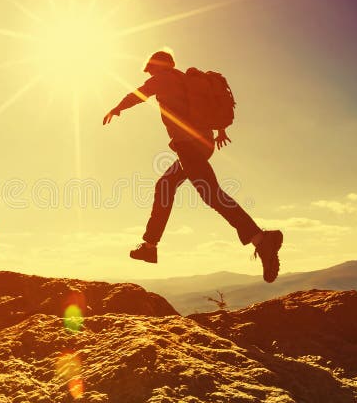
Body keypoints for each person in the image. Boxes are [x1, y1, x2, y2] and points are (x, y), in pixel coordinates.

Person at [103, 50, 283, 283]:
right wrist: (220, 131)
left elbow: (139, 94)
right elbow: (210, 108)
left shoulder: (164, 78)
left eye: (151, 69)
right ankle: (149, 246)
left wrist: (117, 108)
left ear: (159, 66)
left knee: (212, 195)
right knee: (166, 185)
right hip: (201, 144)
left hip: (188, 147)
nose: (150, 73)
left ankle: (261, 239)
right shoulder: (187, 80)